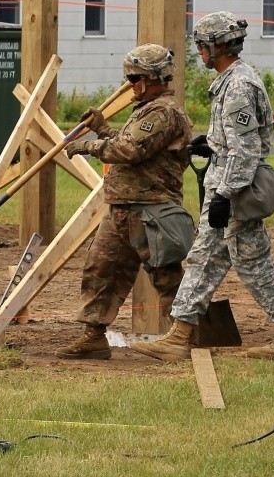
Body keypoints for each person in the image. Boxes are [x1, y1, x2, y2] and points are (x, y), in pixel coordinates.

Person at [134, 11, 274, 362]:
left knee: (254, 264)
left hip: (234, 193)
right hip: (225, 189)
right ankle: (179, 337)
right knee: (203, 260)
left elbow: (247, 149)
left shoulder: (238, 86)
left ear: (218, 47)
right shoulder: (231, 81)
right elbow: (235, 141)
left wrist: (226, 195)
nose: (199, 54)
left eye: (201, 47)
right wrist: (210, 144)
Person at [60, 44, 194, 359]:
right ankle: (93, 336)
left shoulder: (164, 111)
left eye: (135, 78)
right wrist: (102, 128)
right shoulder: (146, 109)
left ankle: (189, 336)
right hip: (123, 207)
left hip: (150, 209)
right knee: (101, 270)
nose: (130, 84)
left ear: (153, 78)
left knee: (166, 275)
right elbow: (129, 142)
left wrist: (90, 145)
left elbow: (130, 151)